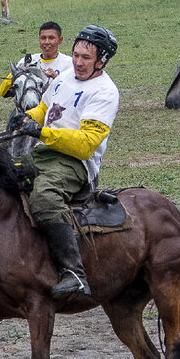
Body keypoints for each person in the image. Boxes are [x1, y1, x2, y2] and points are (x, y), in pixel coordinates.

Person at [8, 25, 120, 300]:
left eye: (86, 58)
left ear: (101, 60)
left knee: (44, 197)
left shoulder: (105, 92)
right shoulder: (66, 76)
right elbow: (47, 108)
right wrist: (28, 117)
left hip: (75, 164)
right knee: (1, 178)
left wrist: (41, 132)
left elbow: (84, 145)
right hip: (44, 151)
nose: (79, 62)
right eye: (76, 55)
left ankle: (74, 273)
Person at [0, 21, 75, 98]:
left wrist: (56, 77)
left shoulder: (69, 64)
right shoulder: (28, 61)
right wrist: (17, 73)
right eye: (43, 38)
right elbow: (3, 92)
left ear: (60, 40)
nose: (47, 42)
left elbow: (75, 92)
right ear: (39, 40)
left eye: (51, 38)